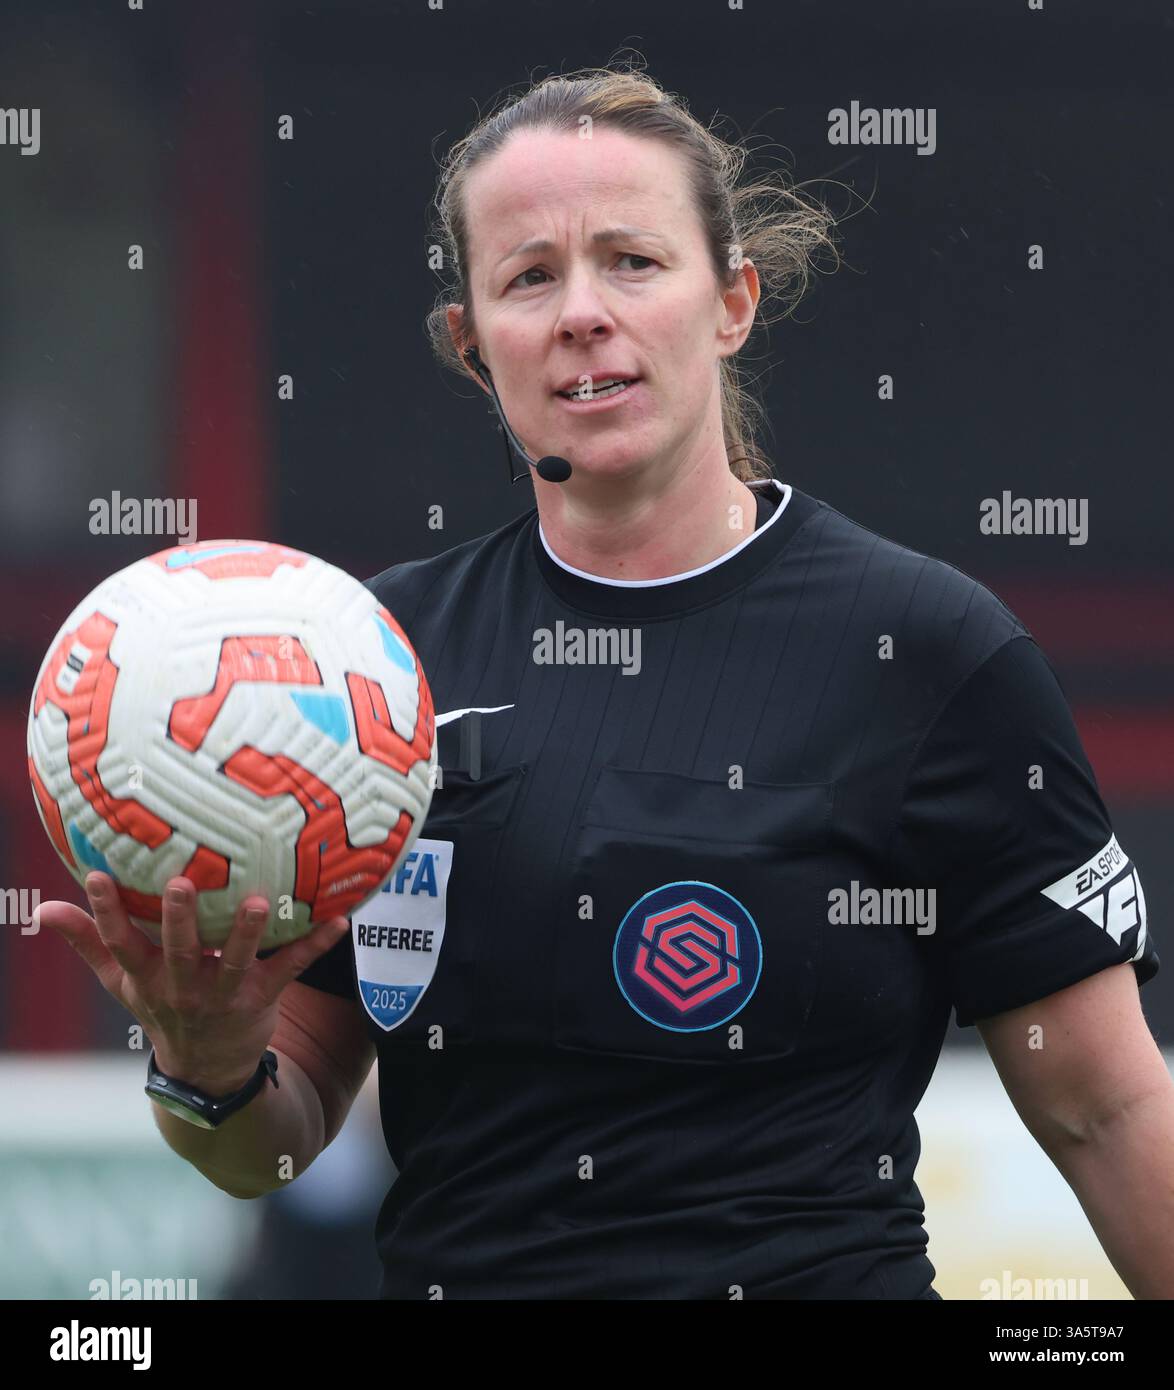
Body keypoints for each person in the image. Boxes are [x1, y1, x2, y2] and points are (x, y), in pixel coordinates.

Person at [40, 62, 1171, 1300]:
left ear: (731, 300)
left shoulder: (923, 648)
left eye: (633, 260)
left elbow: (1105, 1110)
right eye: (529, 276)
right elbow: (275, 1144)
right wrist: (205, 1064)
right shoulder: (368, 668)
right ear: (474, 346)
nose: (583, 311)